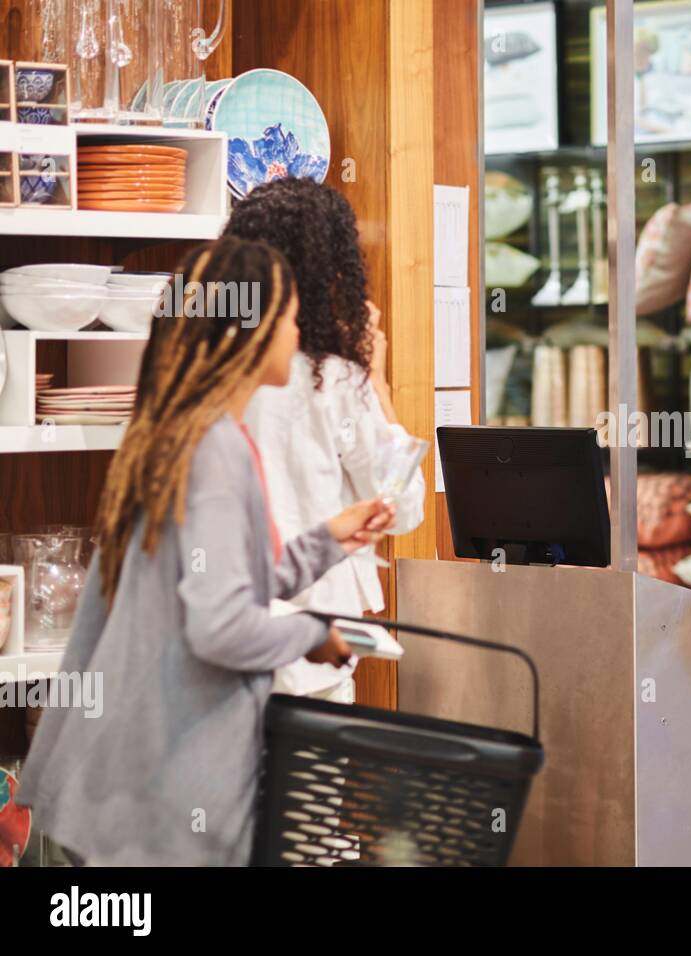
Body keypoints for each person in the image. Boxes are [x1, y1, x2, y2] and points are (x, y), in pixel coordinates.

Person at [19, 238, 396, 866]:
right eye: (289, 318)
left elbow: (224, 581)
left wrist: (327, 541)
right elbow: (220, 625)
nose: (297, 332)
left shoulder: (183, 433)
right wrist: (313, 633)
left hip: (133, 783)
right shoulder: (216, 449)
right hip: (165, 792)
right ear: (249, 332)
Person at [223, 178, 426, 703]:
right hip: (313, 651)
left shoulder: (202, 369)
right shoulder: (332, 379)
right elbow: (402, 506)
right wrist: (377, 382)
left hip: (221, 653)